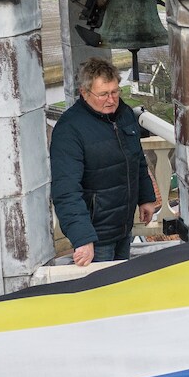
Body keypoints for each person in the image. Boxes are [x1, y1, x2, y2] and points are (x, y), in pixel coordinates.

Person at [51, 57, 157, 266]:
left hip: (123, 226)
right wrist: (83, 238)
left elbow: (137, 159)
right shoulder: (69, 130)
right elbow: (66, 191)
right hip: (95, 235)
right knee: (99, 293)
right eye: (103, 94)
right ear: (84, 92)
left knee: (120, 288)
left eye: (115, 92)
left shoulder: (124, 114)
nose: (111, 100)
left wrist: (146, 198)